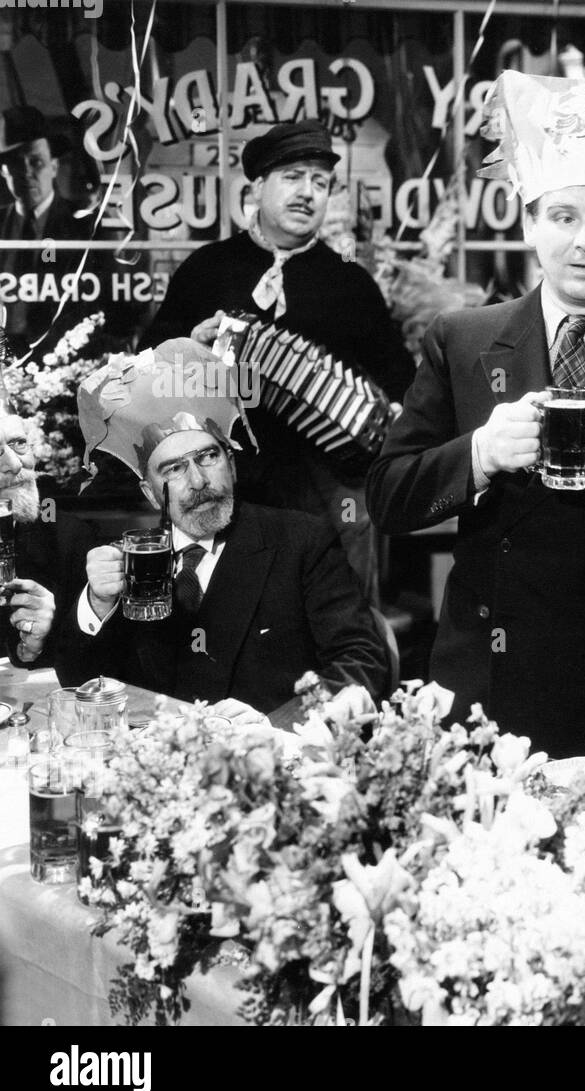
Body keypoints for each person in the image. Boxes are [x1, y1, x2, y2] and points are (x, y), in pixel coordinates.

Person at [367, 70, 585, 759]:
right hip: (482, 687)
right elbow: (387, 497)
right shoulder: (462, 341)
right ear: (528, 223)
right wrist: (480, 455)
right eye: (563, 216)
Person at [141, 119, 415, 603]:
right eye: (292, 176)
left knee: (338, 612)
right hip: (226, 480)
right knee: (229, 612)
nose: (307, 192)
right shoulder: (207, 269)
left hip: (330, 488)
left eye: (320, 182)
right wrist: (186, 347)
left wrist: (387, 414)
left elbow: (400, 380)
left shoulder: (350, 282)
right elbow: (148, 366)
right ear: (257, 185)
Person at [56, 343, 391, 722]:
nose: (198, 481)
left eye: (208, 457)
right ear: (151, 494)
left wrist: (279, 728)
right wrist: (97, 604)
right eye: (174, 470)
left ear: (231, 466)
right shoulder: (131, 564)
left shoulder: (300, 541)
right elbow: (78, 684)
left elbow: (360, 661)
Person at [0, 408, 96, 669]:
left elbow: (98, 659)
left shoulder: (70, 539)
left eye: (19, 444)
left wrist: (35, 645)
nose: (16, 464)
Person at [0, 106, 97, 355]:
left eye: (36, 162)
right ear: (3, 171)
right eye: (15, 163)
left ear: (53, 167)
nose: (27, 173)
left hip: (60, 357)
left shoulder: (84, 227)